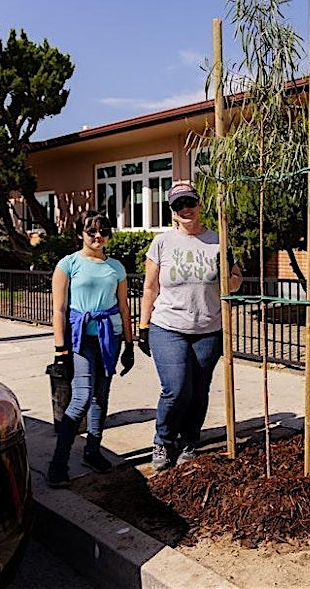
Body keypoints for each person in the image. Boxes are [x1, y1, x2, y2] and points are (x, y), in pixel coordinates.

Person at [138, 181, 243, 471]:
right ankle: (163, 439)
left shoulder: (218, 241)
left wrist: (228, 276)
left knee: (199, 390)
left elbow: (234, 282)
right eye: (178, 205)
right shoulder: (162, 243)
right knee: (176, 387)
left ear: (199, 204)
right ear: (172, 211)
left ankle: (189, 441)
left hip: (208, 329)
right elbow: (150, 287)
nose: (185, 209)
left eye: (189, 202)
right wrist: (143, 326)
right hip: (168, 326)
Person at [47, 211, 135, 488]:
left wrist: (130, 344)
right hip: (81, 339)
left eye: (104, 231)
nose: (98, 237)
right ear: (80, 234)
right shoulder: (68, 264)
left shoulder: (116, 268)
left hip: (111, 336)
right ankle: (58, 462)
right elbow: (59, 310)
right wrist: (60, 350)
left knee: (101, 396)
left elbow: (124, 307)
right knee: (82, 397)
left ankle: (93, 451)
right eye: (91, 231)